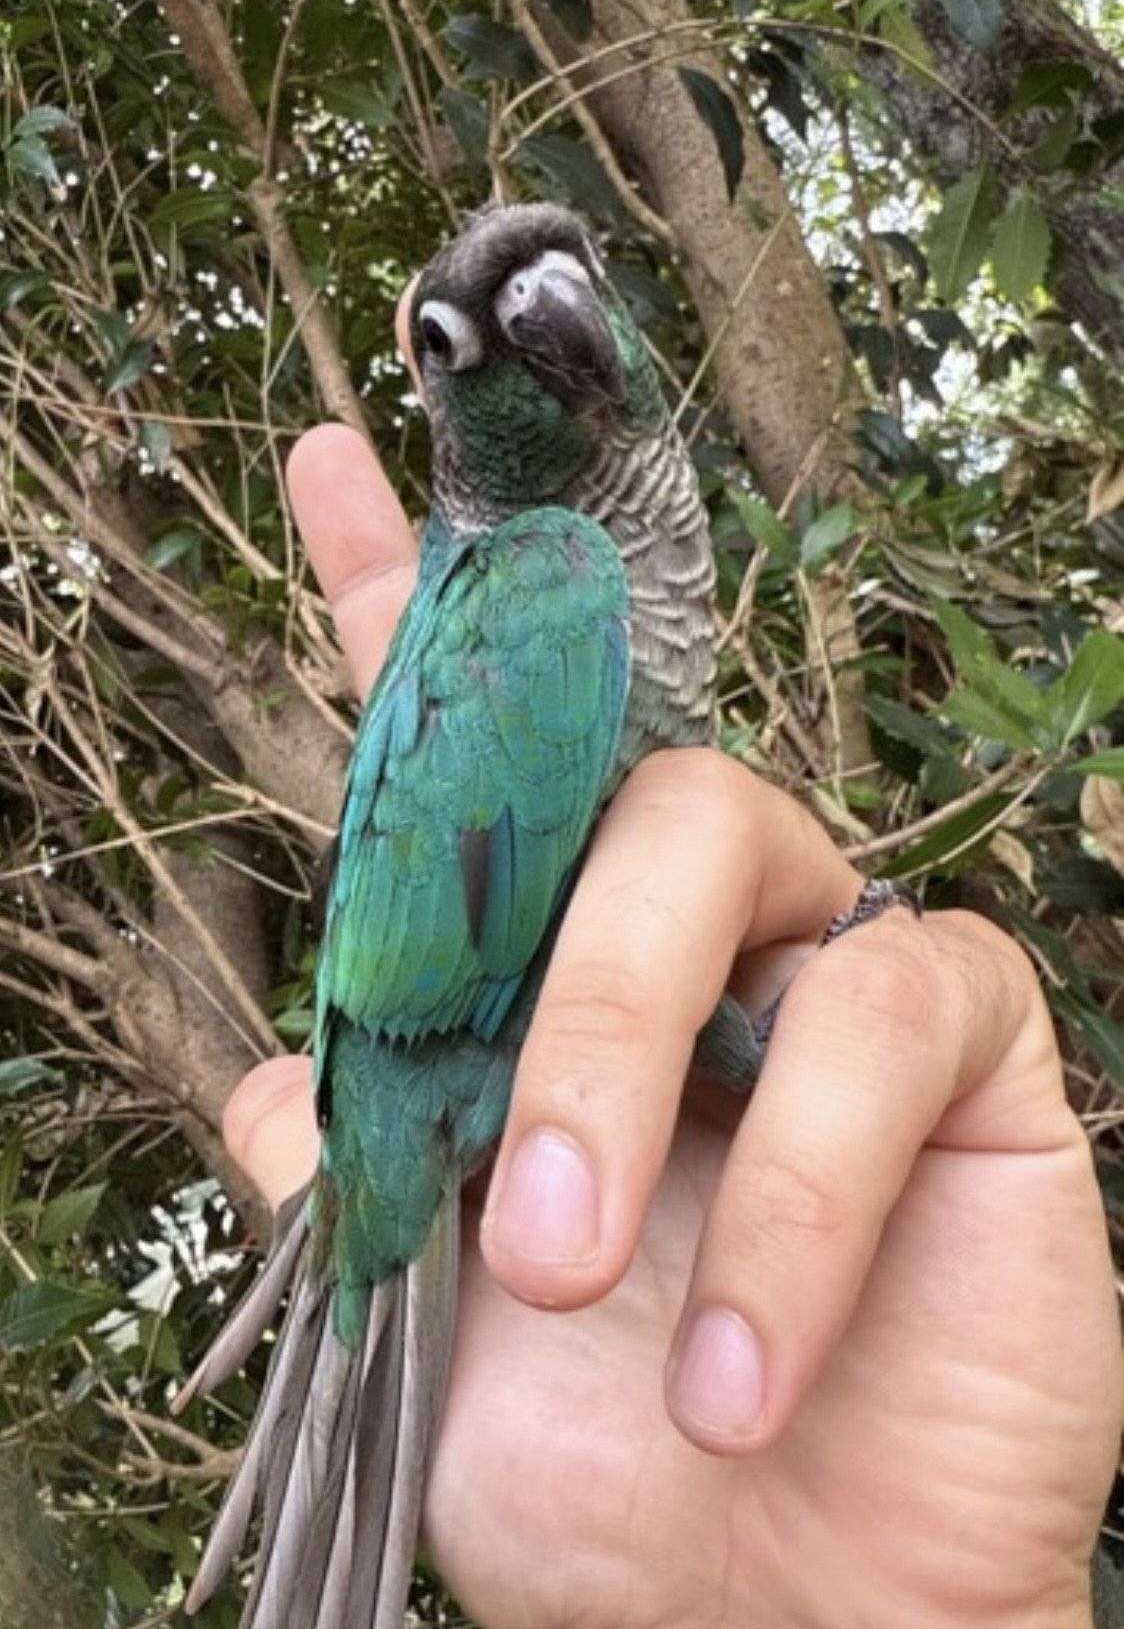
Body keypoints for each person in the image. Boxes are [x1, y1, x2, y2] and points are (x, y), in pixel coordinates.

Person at [220, 283, 1119, 1629]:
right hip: (429, 1063)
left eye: (564, 270)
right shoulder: (556, 579)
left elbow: (566, 916)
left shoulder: (563, 589)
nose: (541, 303)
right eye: (465, 341)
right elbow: (468, 964)